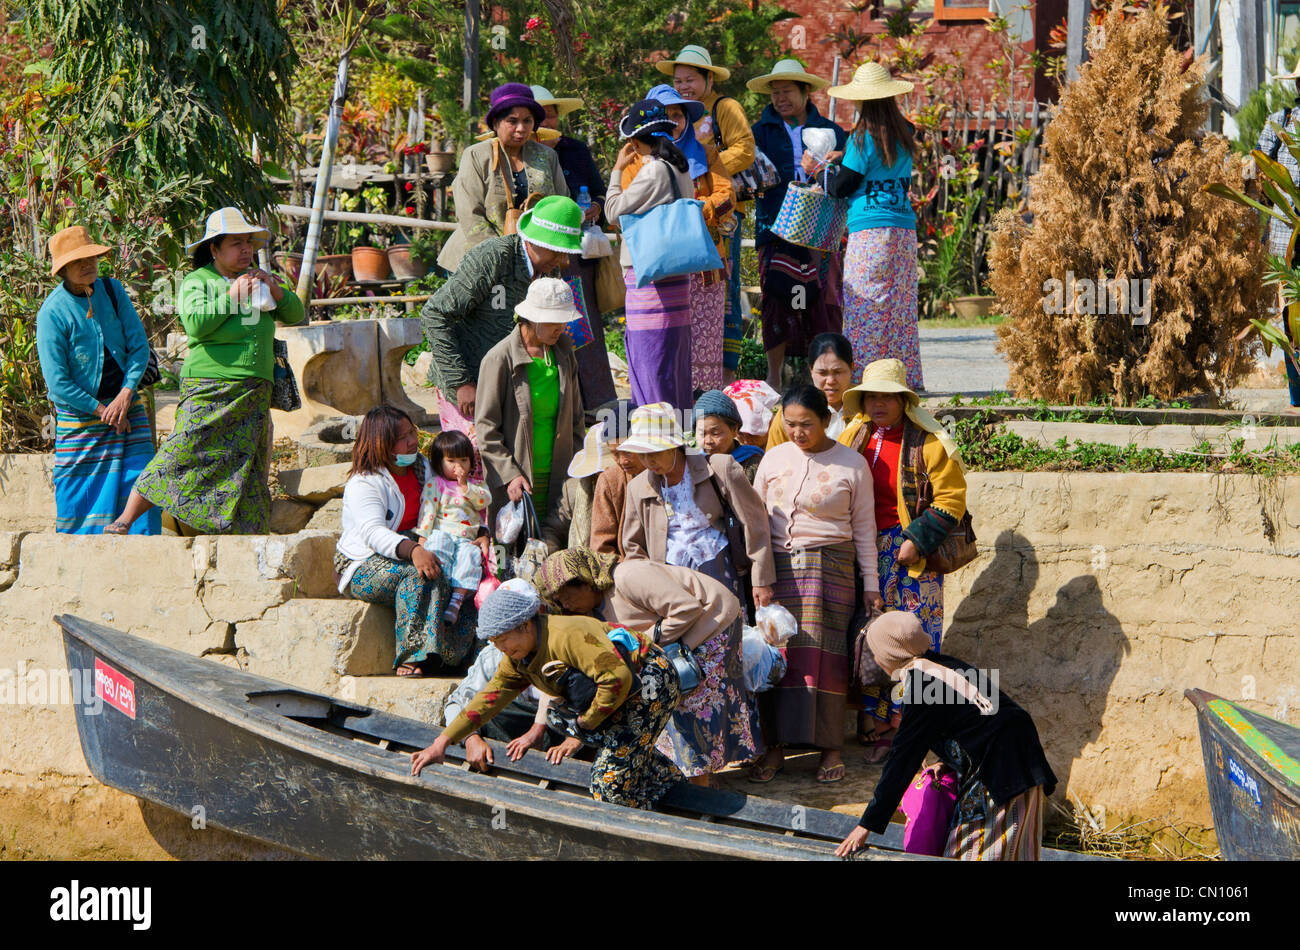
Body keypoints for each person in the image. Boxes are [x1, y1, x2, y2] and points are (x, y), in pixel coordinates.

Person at [109, 208, 304, 535]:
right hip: (211, 386)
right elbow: (197, 325)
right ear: (214, 249)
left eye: (248, 243)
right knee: (182, 451)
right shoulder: (198, 281)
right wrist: (233, 295)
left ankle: (244, 537)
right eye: (235, 243)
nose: (245, 250)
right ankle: (125, 520)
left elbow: (296, 313)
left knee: (247, 464)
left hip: (254, 389)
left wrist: (277, 290)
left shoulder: (257, 278)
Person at [411, 581, 684, 809]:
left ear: (525, 625)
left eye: (503, 640)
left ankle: (651, 820)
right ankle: (668, 780)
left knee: (607, 786)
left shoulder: (567, 636)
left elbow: (618, 678)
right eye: (495, 643)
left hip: (650, 681)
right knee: (565, 721)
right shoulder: (518, 659)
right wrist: (442, 743)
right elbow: (488, 699)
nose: (501, 648)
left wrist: (588, 722)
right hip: (617, 690)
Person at [835, 612, 1057, 860]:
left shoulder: (923, 682)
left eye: (876, 652)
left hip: (1002, 772)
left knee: (969, 853)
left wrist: (866, 825)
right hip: (1021, 764)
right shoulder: (943, 666)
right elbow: (977, 721)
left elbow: (902, 758)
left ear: (891, 653)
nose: (875, 659)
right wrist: (950, 761)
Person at [535, 548, 761, 786]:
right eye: (559, 601)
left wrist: (640, 644)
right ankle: (699, 780)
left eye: (567, 596)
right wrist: (560, 728)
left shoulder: (629, 576)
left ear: (587, 582)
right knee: (664, 700)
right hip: (675, 640)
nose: (565, 605)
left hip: (713, 619)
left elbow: (687, 608)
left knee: (688, 704)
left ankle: (699, 786)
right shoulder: (588, 615)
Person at [750, 385, 880, 784]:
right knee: (778, 658)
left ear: (827, 421)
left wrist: (871, 585)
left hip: (832, 570)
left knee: (827, 660)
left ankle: (830, 748)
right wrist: (759, 577)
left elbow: (864, 530)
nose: (797, 432)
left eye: (806, 424)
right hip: (779, 572)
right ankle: (775, 749)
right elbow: (756, 525)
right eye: (789, 424)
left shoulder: (852, 464)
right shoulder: (772, 459)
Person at [841, 358, 968, 761]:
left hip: (914, 559)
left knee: (914, 640)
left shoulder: (930, 441)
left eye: (887, 396)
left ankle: (911, 730)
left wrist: (916, 539)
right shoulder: (853, 436)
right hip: (865, 552)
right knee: (873, 639)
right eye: (871, 396)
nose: (878, 403)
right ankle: (881, 730)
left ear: (902, 400)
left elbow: (951, 499)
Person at [335, 406, 477, 676]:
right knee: (419, 576)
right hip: (363, 562)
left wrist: (477, 533)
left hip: (418, 546)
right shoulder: (365, 482)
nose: (413, 440)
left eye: (412, 431)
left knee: (465, 578)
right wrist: (413, 551)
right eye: (403, 437)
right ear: (383, 444)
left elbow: (447, 504)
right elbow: (372, 532)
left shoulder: (421, 467)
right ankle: (411, 657)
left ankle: (455, 656)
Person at [36, 226, 159, 535]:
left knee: (141, 478)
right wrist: (104, 412)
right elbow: (58, 382)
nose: (89, 265)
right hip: (82, 421)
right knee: (77, 492)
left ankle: (141, 552)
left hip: (127, 410)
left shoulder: (113, 291)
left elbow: (139, 347)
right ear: (62, 269)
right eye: (79, 261)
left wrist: (125, 396)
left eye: (92, 257)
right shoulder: (52, 313)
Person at [419, 195, 583, 421]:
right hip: (468, 384)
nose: (562, 259)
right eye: (556, 250)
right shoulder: (493, 257)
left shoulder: (550, 271)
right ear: (535, 240)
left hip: (510, 385)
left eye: (566, 252)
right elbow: (435, 314)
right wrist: (461, 383)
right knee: (468, 455)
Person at [748, 59, 849, 390]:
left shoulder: (833, 132)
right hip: (775, 228)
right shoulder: (759, 132)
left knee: (820, 299)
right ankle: (775, 375)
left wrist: (821, 167)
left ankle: (820, 373)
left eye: (787, 91)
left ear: (806, 92)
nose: (780, 98)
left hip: (819, 232)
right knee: (778, 299)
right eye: (775, 93)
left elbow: (846, 178)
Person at [619, 402, 775, 614]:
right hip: (670, 579)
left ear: (674, 445)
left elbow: (755, 524)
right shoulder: (638, 488)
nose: (649, 461)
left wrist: (761, 580)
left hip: (718, 568)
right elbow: (633, 547)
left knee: (725, 636)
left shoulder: (720, 468)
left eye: (655, 451)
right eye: (642, 454)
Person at [659, 43, 756, 383]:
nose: (684, 85)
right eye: (678, 79)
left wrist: (703, 170)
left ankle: (724, 373)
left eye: (690, 79)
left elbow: (745, 149)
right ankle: (687, 369)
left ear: (709, 78)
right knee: (687, 291)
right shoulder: (675, 111)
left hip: (721, 211)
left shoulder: (724, 107)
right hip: (680, 213)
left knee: (723, 290)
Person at [824, 62, 923, 390]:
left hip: (870, 231)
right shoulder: (905, 132)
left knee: (865, 305)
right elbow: (881, 165)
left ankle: (865, 378)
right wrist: (844, 158)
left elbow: (843, 187)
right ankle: (904, 379)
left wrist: (828, 170)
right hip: (904, 231)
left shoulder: (861, 138)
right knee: (899, 306)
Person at [603, 99, 698, 409]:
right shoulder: (680, 166)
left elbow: (613, 211)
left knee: (649, 358)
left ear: (634, 141)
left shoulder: (654, 171)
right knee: (674, 360)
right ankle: (681, 432)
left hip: (649, 276)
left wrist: (618, 169)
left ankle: (654, 433)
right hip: (677, 275)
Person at [531, 84, 619, 410]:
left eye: (551, 111)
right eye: (539, 113)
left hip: (577, 253)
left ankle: (596, 402)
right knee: (543, 322)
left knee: (583, 325)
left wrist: (595, 206)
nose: (546, 118)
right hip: (538, 253)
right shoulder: (525, 154)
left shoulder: (576, 150)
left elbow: (600, 191)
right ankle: (556, 402)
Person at [647, 83, 735, 393]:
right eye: (664, 116)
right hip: (663, 263)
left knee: (705, 335)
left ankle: (703, 410)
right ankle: (666, 400)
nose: (671, 122)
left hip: (706, 261)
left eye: (677, 115)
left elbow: (727, 196)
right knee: (665, 332)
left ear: (685, 118)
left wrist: (696, 210)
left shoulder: (707, 153)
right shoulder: (640, 158)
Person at [475, 277, 586, 520]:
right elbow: (486, 429)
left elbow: (576, 419)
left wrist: (580, 466)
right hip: (520, 482)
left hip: (562, 475)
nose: (562, 328)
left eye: (563, 322)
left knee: (559, 548)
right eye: (555, 322)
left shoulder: (565, 355)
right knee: (521, 550)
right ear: (533, 318)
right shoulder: (499, 360)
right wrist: (509, 474)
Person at [437, 83, 567, 274]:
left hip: (536, 263)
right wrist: (503, 258)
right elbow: (469, 213)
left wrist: (543, 255)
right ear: (496, 122)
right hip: (479, 261)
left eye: (527, 121)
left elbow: (561, 203)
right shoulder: (476, 155)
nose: (521, 128)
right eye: (512, 121)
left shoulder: (547, 156)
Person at [443, 580, 569, 772]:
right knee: (489, 709)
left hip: (558, 735)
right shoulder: (493, 655)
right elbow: (457, 703)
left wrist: (540, 729)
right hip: (513, 738)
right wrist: (471, 739)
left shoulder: (560, 644)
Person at [1254, 71, 1300, 410]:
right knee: (1290, 316)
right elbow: (1257, 168)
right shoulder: (1279, 122)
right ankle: (1297, 393)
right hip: (1286, 237)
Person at [414, 430, 491, 625]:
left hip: (467, 538)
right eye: (452, 461)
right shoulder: (436, 484)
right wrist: (422, 537)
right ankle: (441, 587)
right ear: (439, 462)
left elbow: (484, 501)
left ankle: (456, 599)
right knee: (439, 544)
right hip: (443, 532)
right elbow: (428, 511)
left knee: (470, 556)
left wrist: (465, 485)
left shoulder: (475, 485)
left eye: (464, 460)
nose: (459, 466)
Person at [766, 333, 864, 448]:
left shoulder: (866, 406)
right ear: (811, 370)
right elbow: (774, 458)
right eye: (822, 373)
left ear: (852, 367)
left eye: (838, 372)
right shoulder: (791, 410)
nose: (831, 381)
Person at [588, 403, 647, 558]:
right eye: (615, 454)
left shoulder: (662, 473)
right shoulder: (609, 481)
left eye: (627, 452)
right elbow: (601, 547)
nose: (622, 461)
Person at [694, 389, 763, 482]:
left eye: (715, 433)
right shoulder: (695, 465)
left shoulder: (754, 465)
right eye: (702, 434)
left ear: (734, 430)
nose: (708, 441)